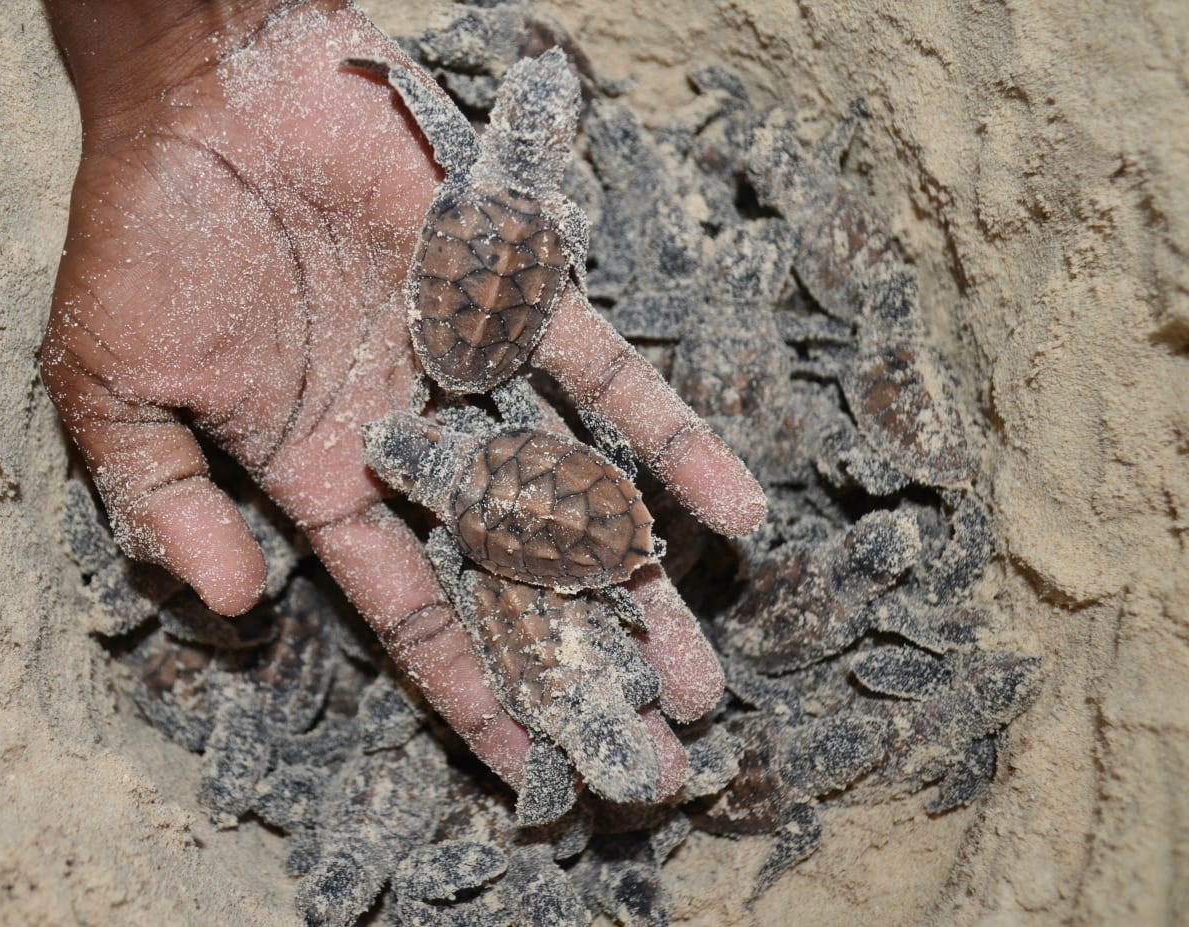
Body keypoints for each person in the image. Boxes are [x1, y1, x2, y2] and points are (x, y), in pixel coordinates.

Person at [40, 0, 765, 796]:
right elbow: (557, 257)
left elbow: (486, 565)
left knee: (504, 563)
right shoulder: (543, 232)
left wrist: (179, 61)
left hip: (487, 424)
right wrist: (171, 68)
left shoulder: (462, 541)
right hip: (498, 431)